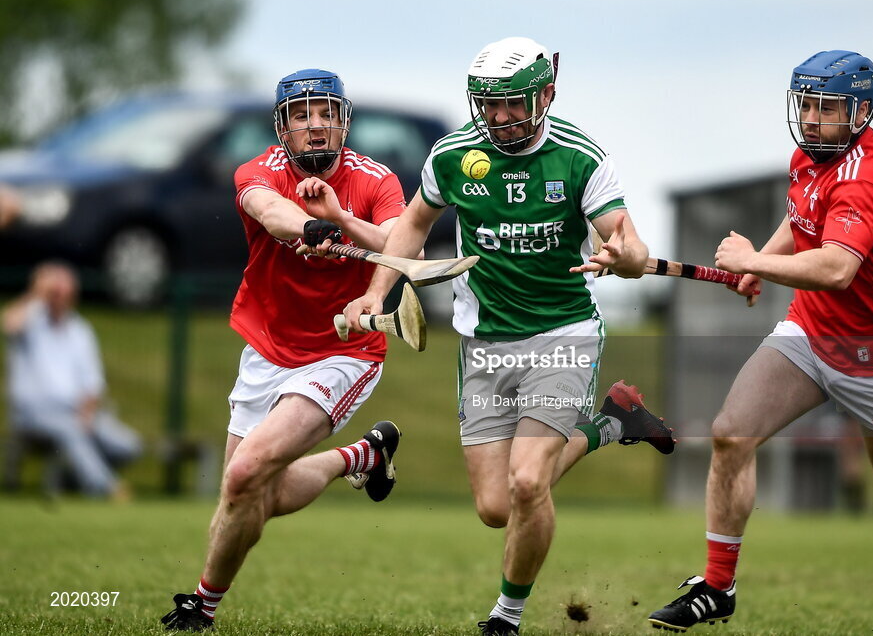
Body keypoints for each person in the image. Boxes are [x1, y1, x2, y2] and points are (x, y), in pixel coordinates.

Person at [647, 51, 873, 635]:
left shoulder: (867, 175)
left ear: (861, 111)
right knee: (730, 432)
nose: (813, 119)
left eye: (828, 108)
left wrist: (751, 260)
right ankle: (717, 586)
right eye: (807, 105)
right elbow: (801, 218)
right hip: (810, 332)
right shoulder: (808, 156)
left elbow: (839, 267)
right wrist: (763, 264)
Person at [344, 37, 675, 636]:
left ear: (546, 94)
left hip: (563, 335)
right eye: (487, 104)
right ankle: (611, 425)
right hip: (485, 343)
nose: (498, 118)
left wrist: (625, 255)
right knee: (497, 508)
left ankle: (506, 615)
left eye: (512, 104)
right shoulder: (453, 156)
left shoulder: (581, 158)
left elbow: (628, 245)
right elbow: (414, 222)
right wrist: (377, 292)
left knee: (528, 482)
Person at [160, 69, 406, 631]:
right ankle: (359, 458)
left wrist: (340, 220)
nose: (316, 127)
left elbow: (399, 245)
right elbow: (270, 211)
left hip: (343, 351)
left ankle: (200, 607)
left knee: (246, 473)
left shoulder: (376, 180)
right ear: (283, 126)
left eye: (326, 115)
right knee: (247, 494)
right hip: (266, 347)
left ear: (343, 122)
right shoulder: (256, 170)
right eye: (303, 116)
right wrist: (310, 229)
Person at [3, 261, 142, 498]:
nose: (60, 298)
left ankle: (75, 478)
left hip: (75, 410)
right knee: (71, 430)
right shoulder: (31, 320)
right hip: (33, 412)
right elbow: (9, 324)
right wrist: (37, 294)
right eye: (54, 293)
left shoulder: (80, 330)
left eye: (64, 293)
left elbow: (92, 382)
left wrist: (87, 412)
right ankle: (106, 489)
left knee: (128, 445)